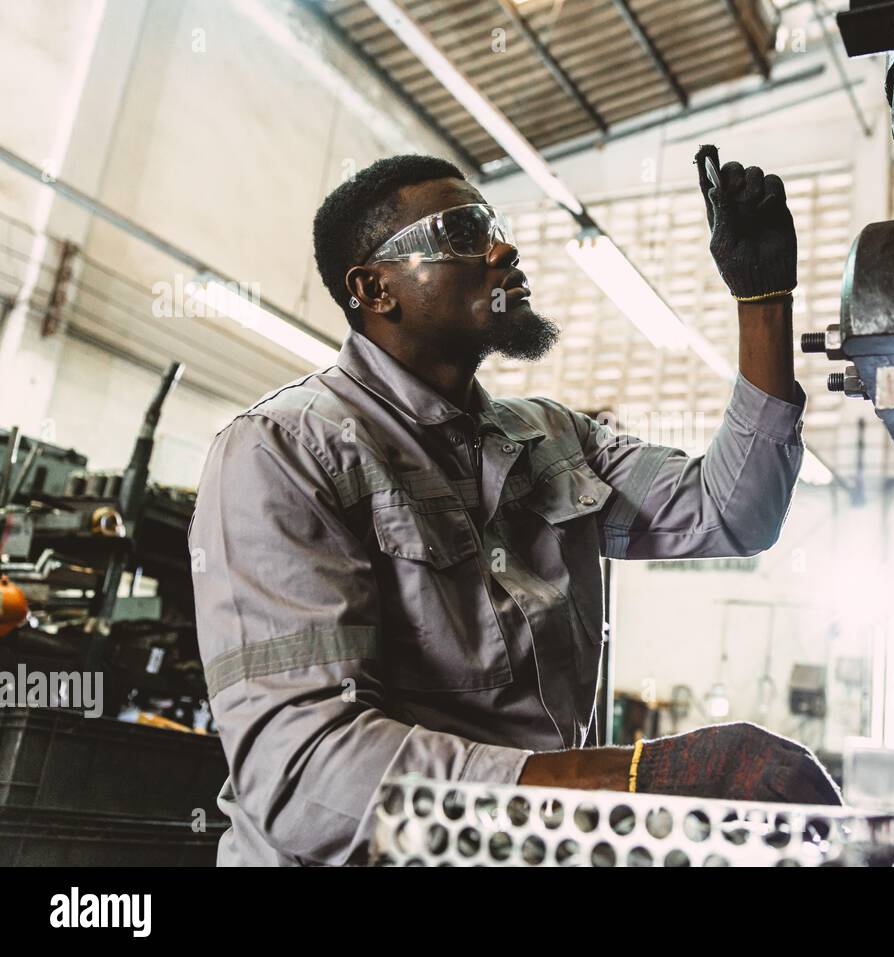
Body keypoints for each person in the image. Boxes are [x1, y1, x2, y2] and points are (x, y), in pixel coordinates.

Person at [189, 148, 839, 866]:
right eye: (464, 232)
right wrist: (623, 783)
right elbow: (304, 774)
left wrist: (763, 301)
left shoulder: (551, 437)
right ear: (375, 288)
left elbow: (734, 510)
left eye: (493, 224)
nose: (504, 246)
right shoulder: (284, 452)